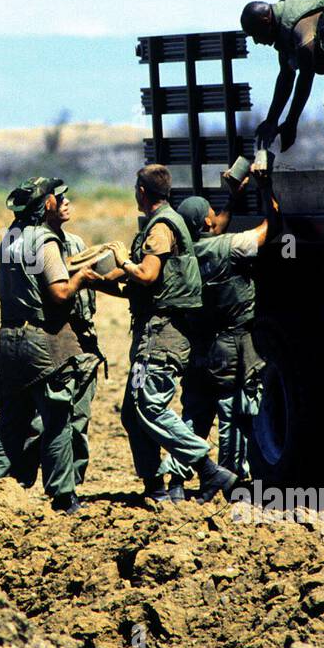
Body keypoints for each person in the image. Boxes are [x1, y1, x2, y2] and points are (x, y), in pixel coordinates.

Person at [93, 165, 238, 505]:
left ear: (142, 192)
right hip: (155, 330)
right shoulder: (167, 224)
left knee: (150, 406)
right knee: (133, 412)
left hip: (161, 335)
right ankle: (155, 486)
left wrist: (122, 261)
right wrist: (95, 279)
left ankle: (207, 467)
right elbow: (145, 287)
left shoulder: (160, 227)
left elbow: (146, 274)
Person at [0, 178, 101, 514]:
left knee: (10, 421)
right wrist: (82, 278)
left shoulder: (9, 238)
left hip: (9, 339)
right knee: (58, 417)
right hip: (40, 342)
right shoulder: (44, 240)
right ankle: (64, 497)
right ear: (46, 205)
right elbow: (59, 292)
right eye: (56, 198)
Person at [177, 162, 282, 484]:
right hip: (231, 345)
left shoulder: (184, 253)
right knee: (233, 409)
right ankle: (229, 475)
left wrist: (232, 199)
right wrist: (266, 188)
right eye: (212, 212)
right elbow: (272, 227)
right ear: (206, 222)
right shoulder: (231, 247)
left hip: (199, 344)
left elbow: (215, 229)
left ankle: (177, 478)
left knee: (194, 411)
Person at [239, 0, 324, 153]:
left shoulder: (299, 27)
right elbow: (286, 75)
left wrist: (291, 122)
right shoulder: (280, 23)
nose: (256, 42)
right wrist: (271, 120)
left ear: (266, 22)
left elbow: (306, 75)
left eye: (256, 34)